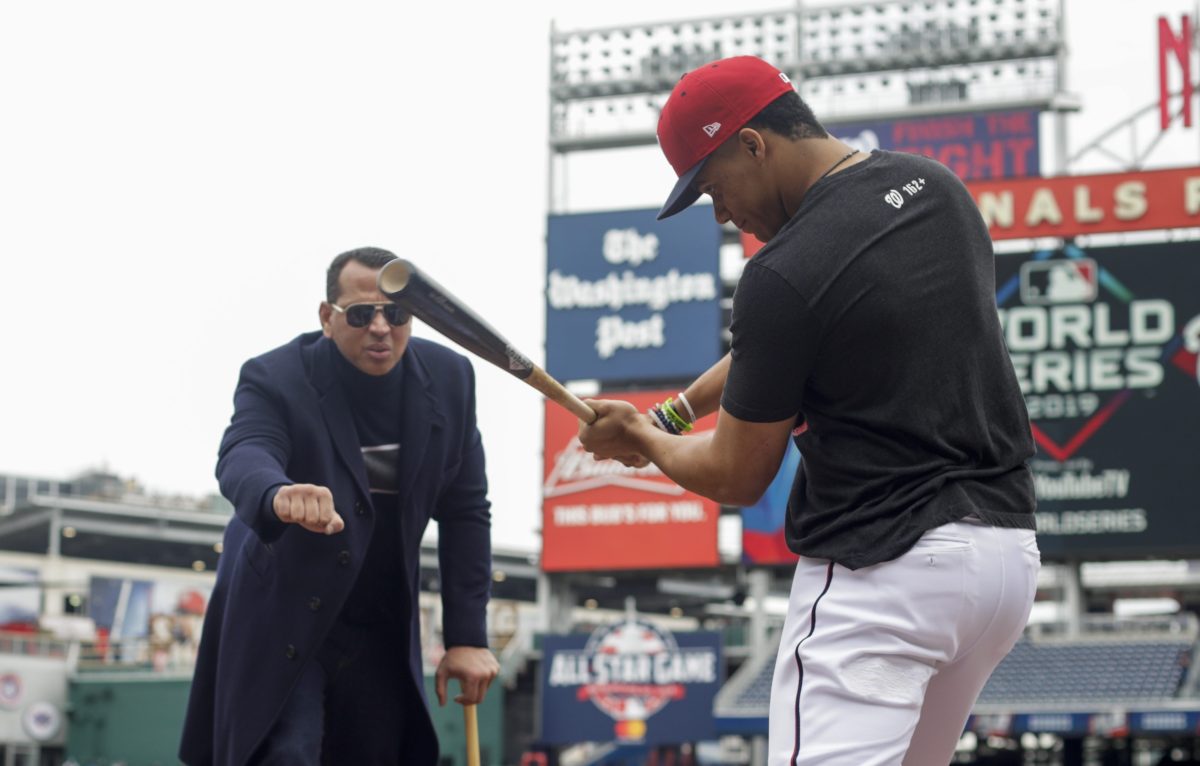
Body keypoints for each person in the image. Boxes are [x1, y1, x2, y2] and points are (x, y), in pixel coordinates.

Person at [578, 56, 1041, 765]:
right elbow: (798, 334)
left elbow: (736, 474)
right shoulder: (935, 188)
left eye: (712, 187)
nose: (722, 211)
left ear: (753, 143)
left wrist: (644, 437)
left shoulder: (781, 273)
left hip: (885, 569)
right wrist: (671, 416)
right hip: (1002, 563)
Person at [180, 247, 499, 765]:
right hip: (284, 610)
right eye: (360, 313)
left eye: (395, 313)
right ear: (327, 317)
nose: (380, 327)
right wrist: (276, 493)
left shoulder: (451, 380)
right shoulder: (276, 376)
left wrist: (467, 636)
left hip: (380, 618)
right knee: (287, 754)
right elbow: (245, 451)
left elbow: (465, 510)